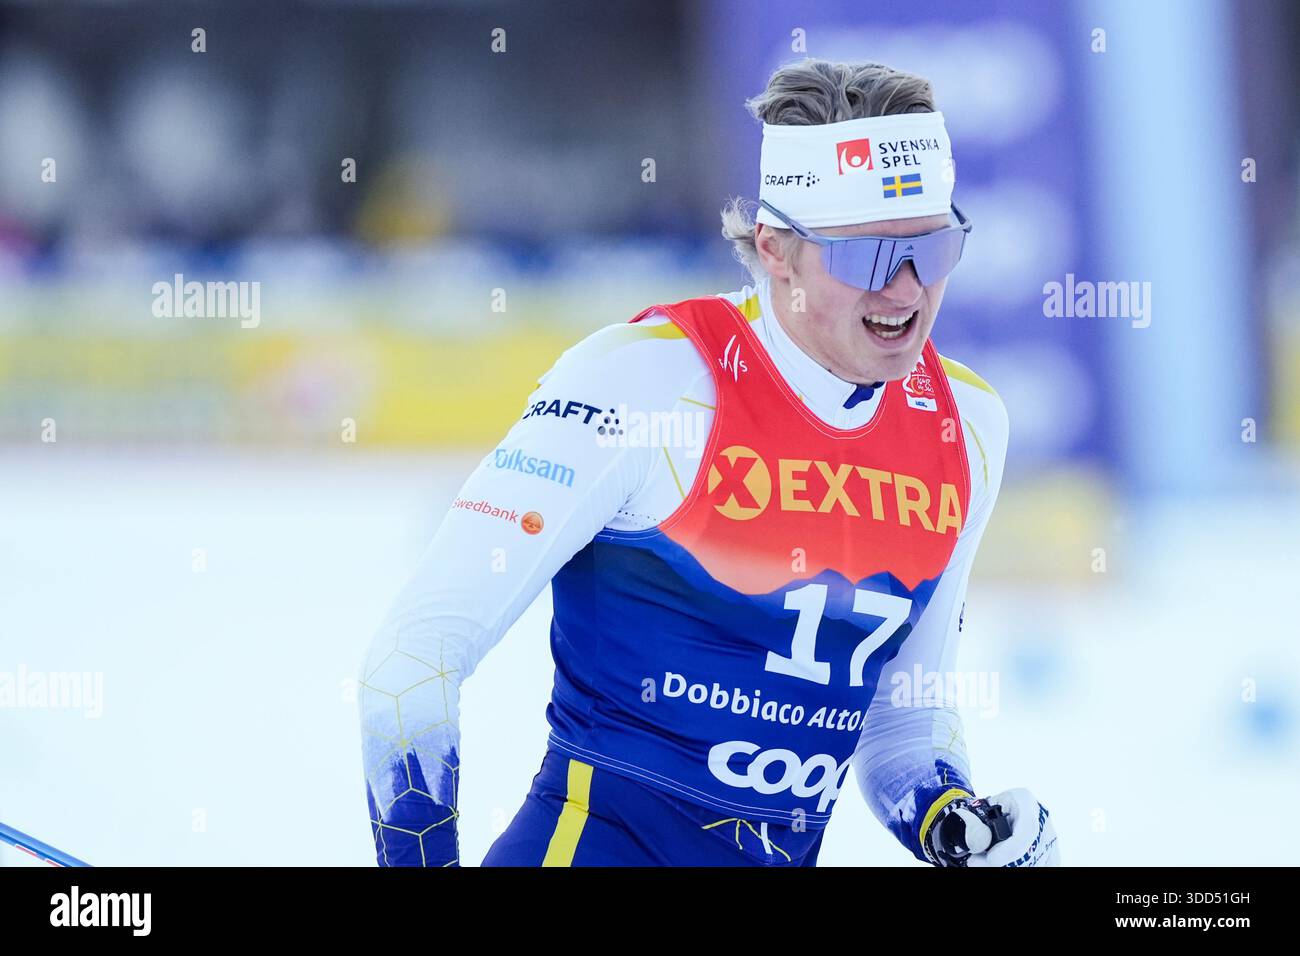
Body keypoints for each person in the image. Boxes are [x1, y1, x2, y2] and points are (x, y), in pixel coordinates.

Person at [358, 58, 1059, 867]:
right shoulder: (644, 380)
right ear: (776, 249)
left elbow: (904, 714)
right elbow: (410, 661)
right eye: (867, 256)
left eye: (933, 248)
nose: (906, 289)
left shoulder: (966, 423)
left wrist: (948, 817)